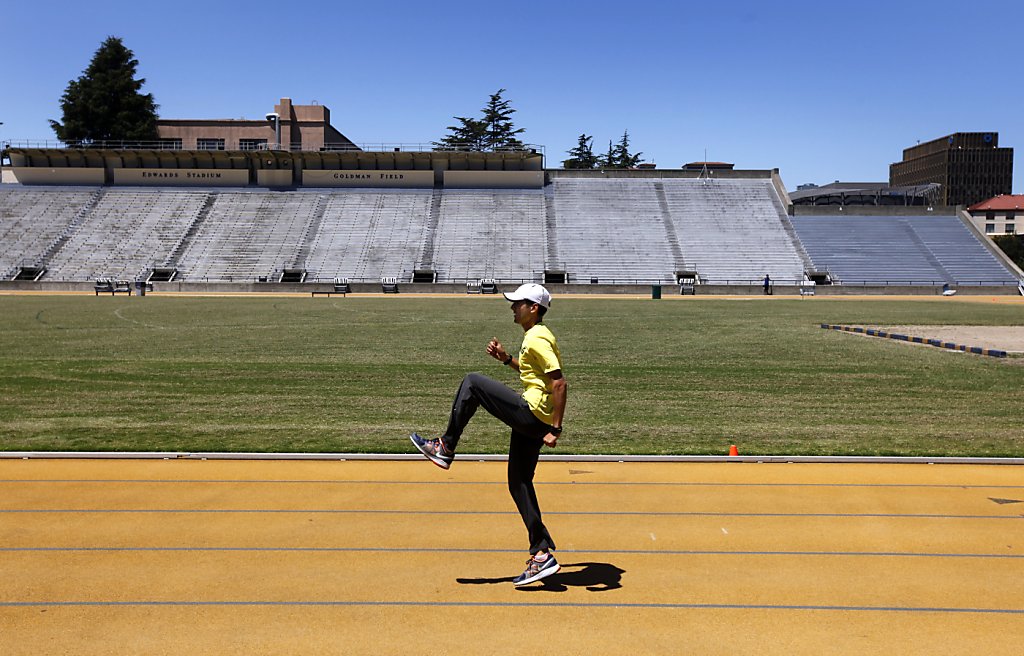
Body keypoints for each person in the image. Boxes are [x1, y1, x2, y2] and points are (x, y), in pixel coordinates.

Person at [410, 283, 567, 586]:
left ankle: (445, 446)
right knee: (518, 483)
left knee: (473, 383)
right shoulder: (536, 336)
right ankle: (541, 554)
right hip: (535, 417)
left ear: (533, 308)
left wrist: (555, 429)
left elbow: (559, 383)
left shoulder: (537, 337)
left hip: (533, 415)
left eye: (518, 303)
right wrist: (507, 360)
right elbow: (536, 374)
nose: (512, 308)